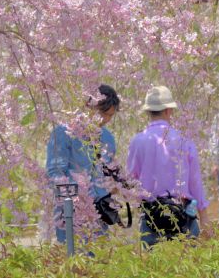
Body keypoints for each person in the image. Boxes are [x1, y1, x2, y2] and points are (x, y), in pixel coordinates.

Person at [126, 85, 209, 246]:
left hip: (151, 216)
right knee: (186, 266)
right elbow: (195, 182)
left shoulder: (138, 141)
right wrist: (204, 215)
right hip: (183, 215)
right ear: (168, 110)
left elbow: (131, 180)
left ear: (148, 112)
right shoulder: (184, 141)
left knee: (152, 268)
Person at [45, 84, 124, 243]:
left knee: (100, 262)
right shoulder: (64, 132)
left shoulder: (107, 137)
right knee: (75, 260)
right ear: (88, 107)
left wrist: (115, 185)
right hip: (72, 213)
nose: (105, 120)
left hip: (100, 213)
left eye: (110, 116)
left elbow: (109, 170)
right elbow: (55, 173)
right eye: (103, 114)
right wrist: (79, 197)